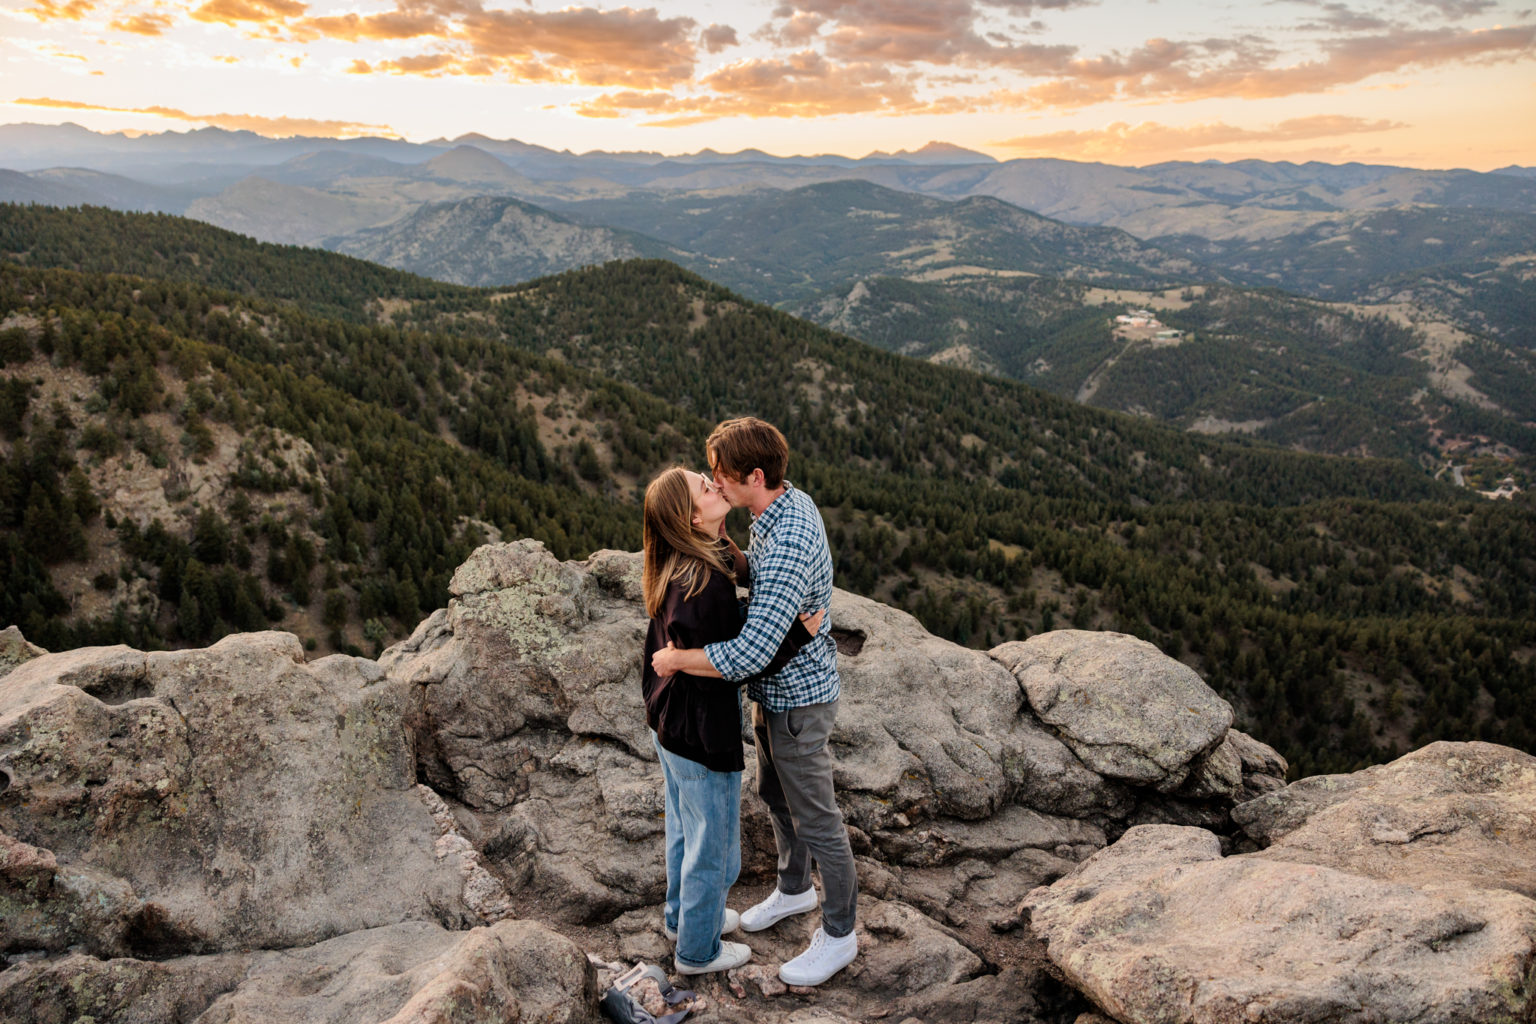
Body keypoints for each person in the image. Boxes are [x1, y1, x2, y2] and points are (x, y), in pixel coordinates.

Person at [652, 417, 858, 988]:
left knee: (818, 819)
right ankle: (794, 891)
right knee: (776, 795)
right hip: (773, 699)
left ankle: (839, 934)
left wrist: (674, 660)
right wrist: (726, 552)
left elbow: (748, 655)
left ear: (756, 476)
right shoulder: (774, 509)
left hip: (797, 701)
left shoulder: (789, 536)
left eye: (721, 477)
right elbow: (758, 574)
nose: (716, 484)